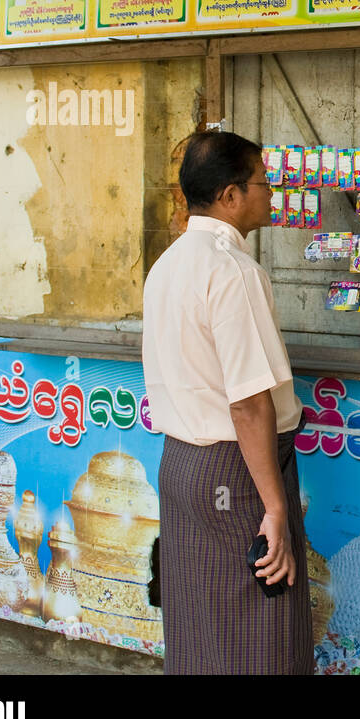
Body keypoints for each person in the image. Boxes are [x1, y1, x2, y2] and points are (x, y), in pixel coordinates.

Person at [142, 130, 312, 674]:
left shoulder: (166, 266)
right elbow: (248, 406)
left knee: (199, 629)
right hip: (239, 471)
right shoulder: (233, 272)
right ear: (230, 195)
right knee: (260, 631)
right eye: (263, 182)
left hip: (183, 466)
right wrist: (276, 507)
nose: (271, 193)